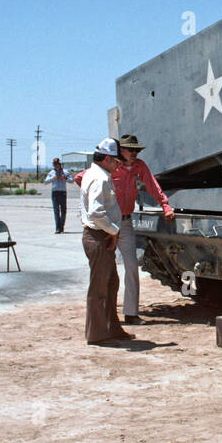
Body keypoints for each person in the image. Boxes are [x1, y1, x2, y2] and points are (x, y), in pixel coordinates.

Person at [73, 134, 174, 325]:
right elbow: (80, 178)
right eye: (131, 150)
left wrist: (165, 206)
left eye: (137, 150)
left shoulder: (139, 167)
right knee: (105, 271)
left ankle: (131, 313)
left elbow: (153, 186)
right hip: (105, 224)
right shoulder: (108, 169)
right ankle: (104, 317)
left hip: (125, 222)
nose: (134, 153)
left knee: (131, 266)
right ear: (120, 152)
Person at [80, 138, 133, 346]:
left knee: (111, 284)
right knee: (99, 287)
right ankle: (97, 334)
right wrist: (114, 231)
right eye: (117, 161)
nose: (119, 165)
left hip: (101, 236)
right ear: (108, 159)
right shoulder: (99, 178)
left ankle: (111, 327)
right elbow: (96, 212)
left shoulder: (97, 175)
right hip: (99, 236)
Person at [45, 157, 70, 233]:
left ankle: (62, 226)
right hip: (55, 193)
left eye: (57, 164)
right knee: (56, 211)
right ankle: (57, 228)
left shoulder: (65, 172)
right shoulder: (51, 172)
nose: (56, 166)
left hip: (62, 193)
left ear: (60, 164)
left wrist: (65, 178)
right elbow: (45, 181)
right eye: (54, 164)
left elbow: (72, 180)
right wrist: (53, 178)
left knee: (63, 211)